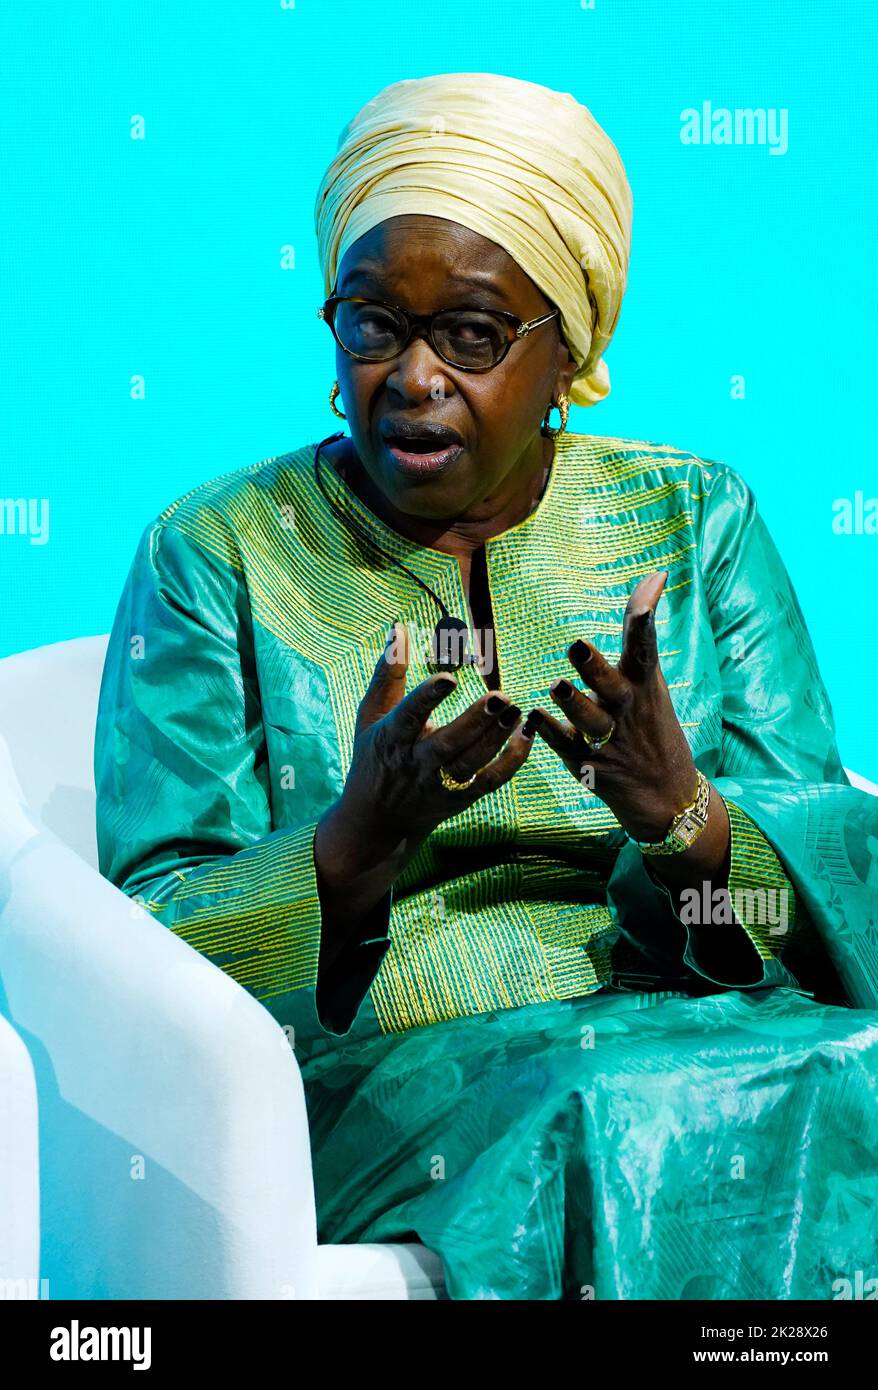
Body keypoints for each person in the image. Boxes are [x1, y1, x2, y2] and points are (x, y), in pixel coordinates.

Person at [94, 72, 878, 1300]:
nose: (409, 379)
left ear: (568, 348)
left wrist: (687, 821)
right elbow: (132, 950)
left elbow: (829, 904)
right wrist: (350, 847)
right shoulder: (217, 551)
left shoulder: (695, 517)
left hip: (696, 1016)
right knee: (599, 1107)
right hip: (391, 1074)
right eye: (370, 323)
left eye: (468, 334)